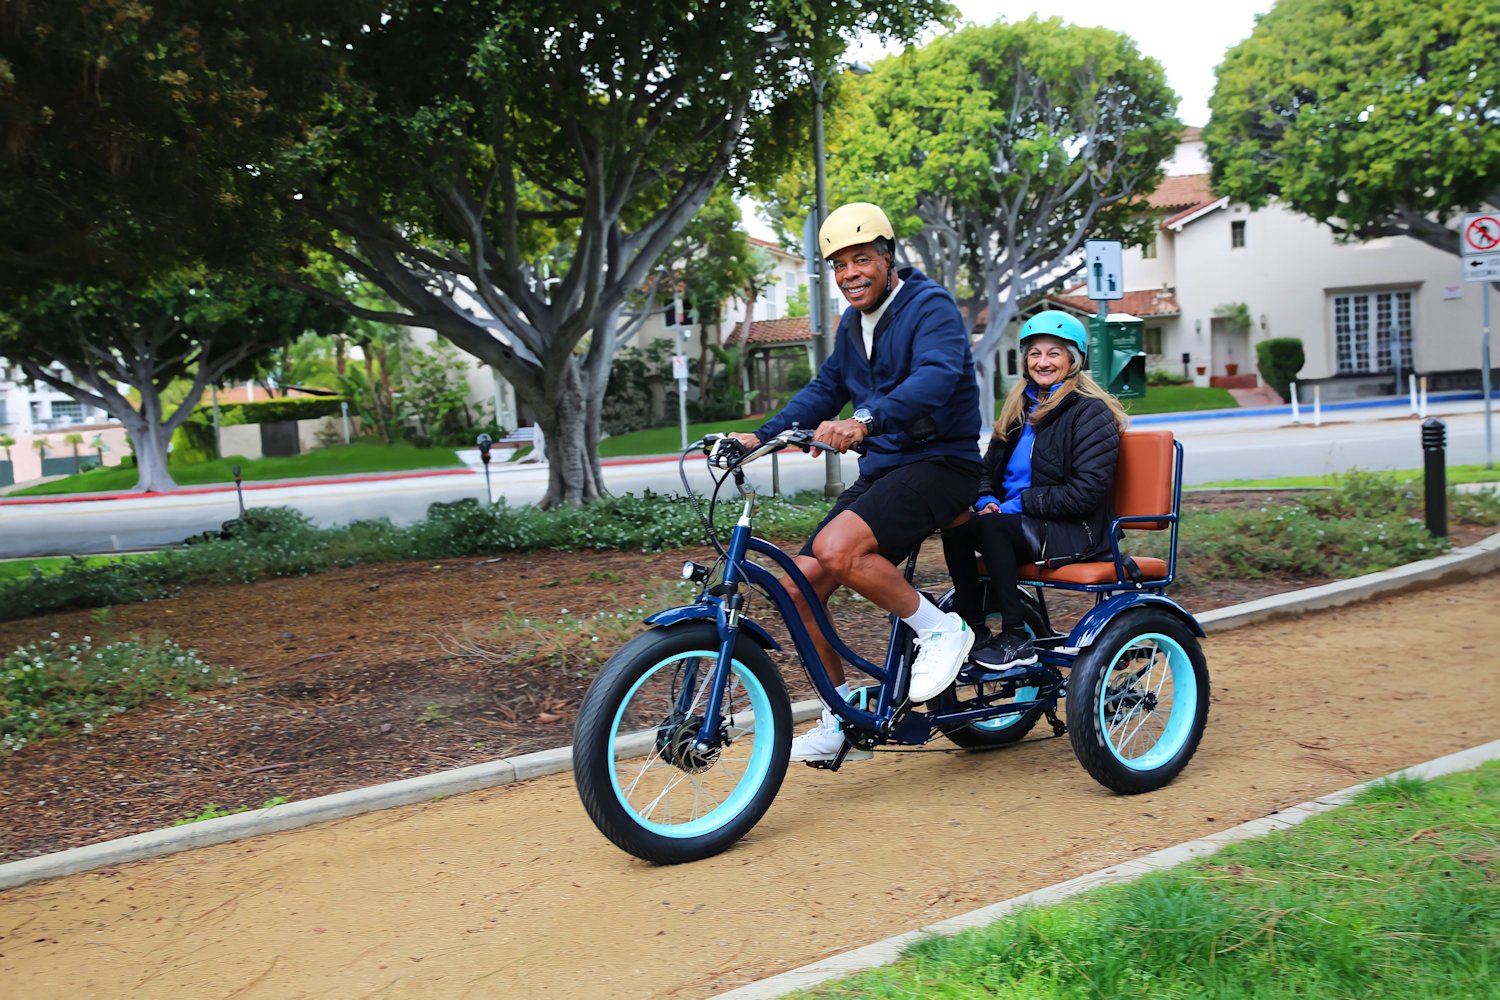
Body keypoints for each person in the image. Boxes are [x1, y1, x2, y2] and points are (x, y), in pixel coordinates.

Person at [727, 202, 983, 762]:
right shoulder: (851, 325)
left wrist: (863, 420)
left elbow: (936, 377)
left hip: (944, 465)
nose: (850, 275)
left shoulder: (928, 305)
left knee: (837, 548)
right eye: (839, 266)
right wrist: (760, 436)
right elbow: (825, 388)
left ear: (887, 257)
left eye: (861, 259)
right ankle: (842, 714)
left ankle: (940, 631)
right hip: (886, 471)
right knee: (799, 589)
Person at [941, 310, 1128, 671]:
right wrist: (988, 499)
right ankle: (975, 632)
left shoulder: (1090, 413)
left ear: (1074, 359)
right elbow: (987, 471)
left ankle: (1015, 638)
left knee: (992, 527)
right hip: (1020, 522)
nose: (1043, 362)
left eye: (1054, 353)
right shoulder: (1019, 408)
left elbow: (1085, 493)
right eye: (1035, 353)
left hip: (1076, 530)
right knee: (957, 526)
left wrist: (1015, 506)